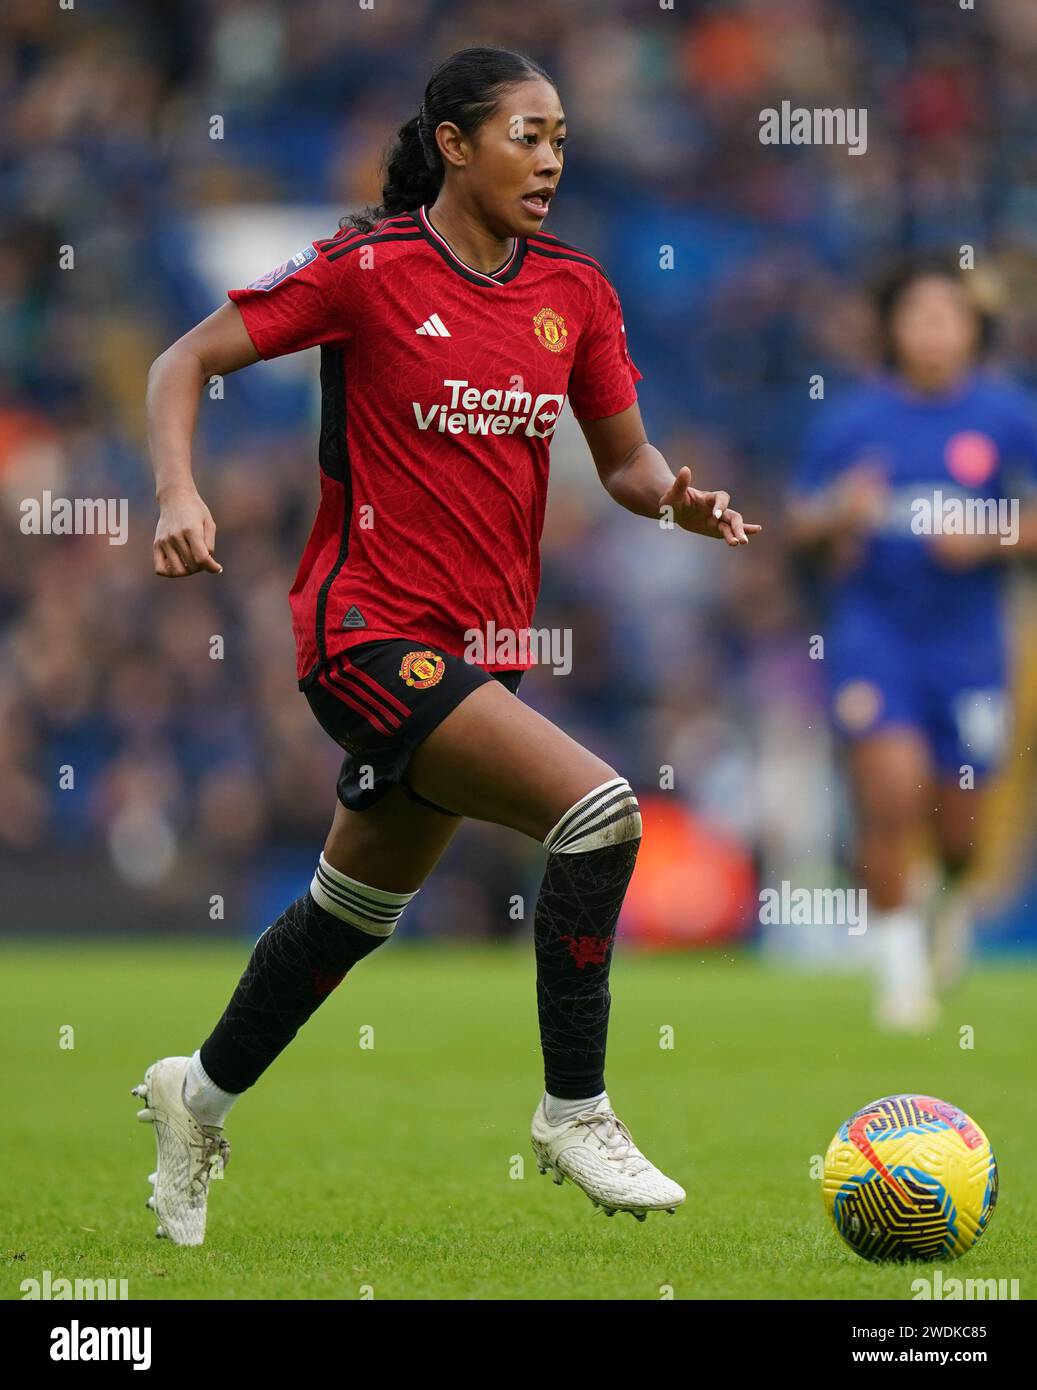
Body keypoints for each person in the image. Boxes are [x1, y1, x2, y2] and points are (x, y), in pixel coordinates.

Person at [136, 46, 760, 1245]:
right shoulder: (366, 271)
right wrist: (176, 492)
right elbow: (182, 361)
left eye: (563, 137)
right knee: (602, 812)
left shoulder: (573, 289)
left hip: (483, 652)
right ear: (457, 142)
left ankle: (193, 1094)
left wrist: (671, 497)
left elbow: (622, 460)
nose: (550, 158)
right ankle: (574, 1109)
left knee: (351, 911)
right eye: (527, 134)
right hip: (362, 631)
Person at [789, 254, 1037, 1030]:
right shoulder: (849, 422)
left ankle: (949, 898)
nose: (931, 331)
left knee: (960, 825)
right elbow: (796, 522)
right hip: (874, 635)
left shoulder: (1006, 416)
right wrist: (837, 515)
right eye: (917, 315)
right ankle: (899, 977)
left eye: (947, 317)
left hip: (967, 646)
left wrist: (990, 537)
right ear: (892, 328)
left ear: (971, 330)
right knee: (887, 792)